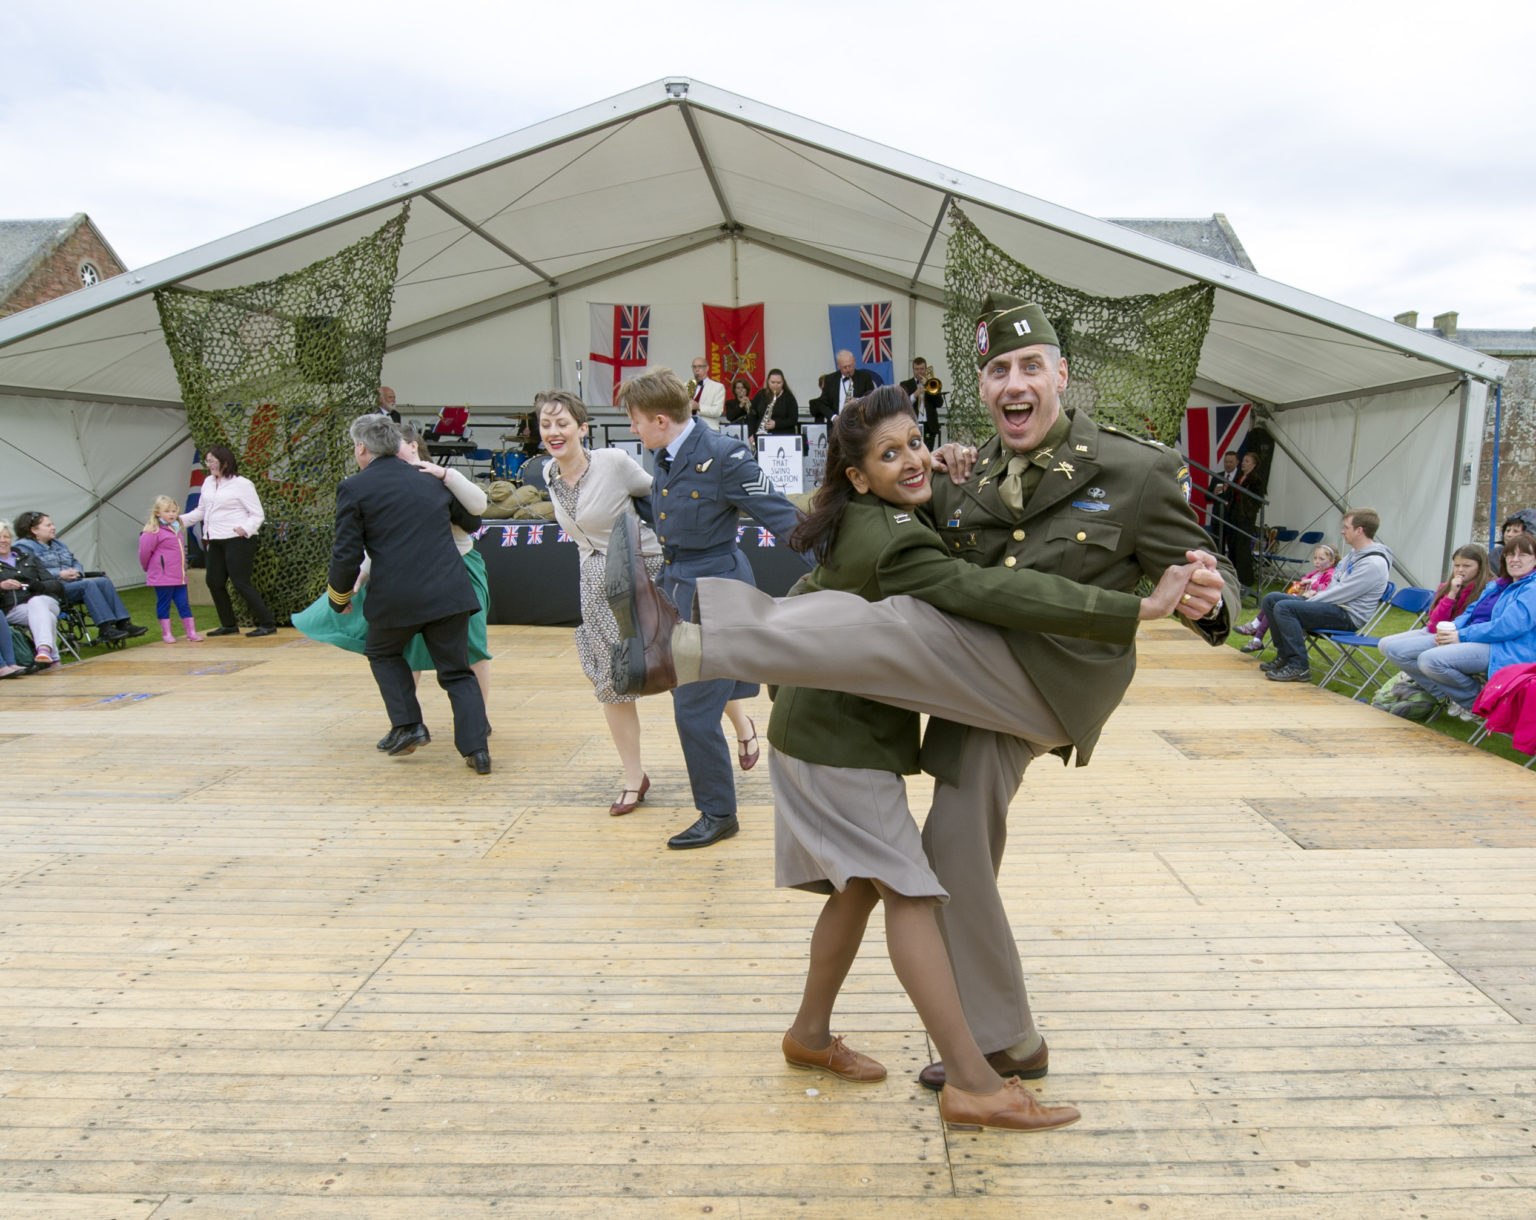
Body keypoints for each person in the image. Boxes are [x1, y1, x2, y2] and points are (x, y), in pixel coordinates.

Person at [608, 294, 1235, 1090]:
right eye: (999, 370)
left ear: (1061, 377)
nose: (1015, 383)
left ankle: (686, 642)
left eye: (1030, 367)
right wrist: (929, 473)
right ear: (983, 386)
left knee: (903, 620)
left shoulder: (1134, 469)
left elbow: (1208, 567)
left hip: (1051, 680)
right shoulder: (968, 475)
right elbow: (893, 527)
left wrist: (1207, 600)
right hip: (974, 687)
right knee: (951, 849)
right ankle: (1008, 1039)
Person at [762, 386, 1201, 1131]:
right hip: (841, 742)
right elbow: (982, 584)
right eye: (888, 454)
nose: (909, 460)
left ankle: (808, 1036)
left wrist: (940, 479)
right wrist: (1136, 609)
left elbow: (905, 541)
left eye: (913, 443)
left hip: (823, 730)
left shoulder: (885, 515)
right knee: (910, 893)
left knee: (859, 891)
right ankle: (972, 1079)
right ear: (858, 477)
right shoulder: (891, 537)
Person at [621, 366, 805, 849]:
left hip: (715, 595)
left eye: (636, 420)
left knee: (694, 712)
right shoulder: (664, 454)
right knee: (699, 702)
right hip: (680, 590)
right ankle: (724, 791)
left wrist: (843, 570)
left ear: (660, 419)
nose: (633, 429)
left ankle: (719, 813)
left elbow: (783, 517)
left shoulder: (724, 456)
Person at [293, 423, 494, 725]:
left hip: (458, 573)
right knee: (404, 649)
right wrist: (361, 574)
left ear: (414, 446)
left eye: (397, 443)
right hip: (407, 578)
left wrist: (447, 475)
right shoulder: (386, 483)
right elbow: (387, 544)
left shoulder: (434, 479)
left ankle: (478, 720)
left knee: (471, 648)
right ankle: (407, 725)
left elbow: (476, 513)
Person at [1381, 535, 1536, 719]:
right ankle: (1453, 697)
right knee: (1396, 649)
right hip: (1480, 638)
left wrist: (1461, 635)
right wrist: (1450, 630)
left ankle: (1477, 704)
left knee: (1430, 661)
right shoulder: (1499, 585)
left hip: (1506, 648)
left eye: (1523, 555)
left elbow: (1508, 627)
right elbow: (1469, 613)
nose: (1514, 559)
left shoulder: (1531, 589)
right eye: (1510, 555)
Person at [1260, 509, 1392, 682]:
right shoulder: (1353, 555)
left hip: (1348, 616)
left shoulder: (1373, 563)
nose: (1342, 531)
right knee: (1272, 599)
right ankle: (1284, 656)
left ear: (1359, 530)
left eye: (1346, 527)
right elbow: (1334, 585)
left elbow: (1341, 593)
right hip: (1333, 606)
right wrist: (1313, 594)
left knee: (1285, 608)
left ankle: (1298, 666)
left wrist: (1309, 601)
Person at [178, 446, 277, 639]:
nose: (210, 466)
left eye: (213, 462)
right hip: (215, 538)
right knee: (214, 581)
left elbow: (257, 514)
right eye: (207, 462)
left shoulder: (242, 484)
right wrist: (178, 521)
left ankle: (267, 622)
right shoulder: (208, 482)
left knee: (240, 582)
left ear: (225, 462)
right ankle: (229, 624)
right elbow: (201, 511)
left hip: (238, 539)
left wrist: (246, 529)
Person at [12, 511, 147, 642]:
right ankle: (105, 628)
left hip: (71, 582)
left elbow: (74, 561)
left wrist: (77, 571)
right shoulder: (23, 548)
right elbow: (30, 572)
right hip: (51, 588)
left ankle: (123, 623)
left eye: (52, 524)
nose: (53, 527)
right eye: (48, 525)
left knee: (103, 581)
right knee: (88, 585)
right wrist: (60, 574)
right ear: (34, 530)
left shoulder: (58, 544)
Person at [1233, 543, 1338, 654]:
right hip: (1302, 602)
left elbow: (1326, 589)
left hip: (1309, 608)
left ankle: (1255, 630)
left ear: (1332, 561)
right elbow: (1305, 581)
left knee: (1274, 602)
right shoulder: (1317, 573)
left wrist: (1313, 583)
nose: (1317, 561)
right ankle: (1256, 638)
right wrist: (1301, 584)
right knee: (1273, 602)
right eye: (1315, 558)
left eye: (1321, 559)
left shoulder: (1330, 574)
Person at [1, 518, 65, 673]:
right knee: (46, 617)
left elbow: (55, 584)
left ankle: (44, 650)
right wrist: (2, 586)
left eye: (6, 537)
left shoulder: (28, 557)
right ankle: (52, 656)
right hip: (15, 608)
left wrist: (36, 585)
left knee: (37, 602)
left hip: (45, 600)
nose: (3, 541)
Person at [138, 496, 204, 644]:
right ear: (157, 513)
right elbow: (144, 552)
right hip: (162, 576)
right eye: (167, 511)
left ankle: (191, 632)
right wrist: (148, 568)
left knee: (183, 603)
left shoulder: (177, 528)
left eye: (174, 511)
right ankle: (166, 633)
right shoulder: (153, 530)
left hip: (179, 576)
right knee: (164, 603)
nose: (171, 514)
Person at [1221, 452, 1264, 593]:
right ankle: (1233, 576)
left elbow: (1257, 499)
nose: (1244, 463)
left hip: (1245, 518)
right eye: (1244, 461)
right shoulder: (1239, 478)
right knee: (1233, 546)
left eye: (1247, 461)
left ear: (1253, 464)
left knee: (1242, 548)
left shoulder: (1256, 480)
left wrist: (1247, 511)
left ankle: (1245, 578)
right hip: (1234, 516)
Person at [809, 350, 876, 424]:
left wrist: (858, 401)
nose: (848, 370)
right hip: (837, 425)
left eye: (850, 366)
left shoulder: (864, 377)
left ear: (854, 362)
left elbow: (872, 398)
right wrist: (833, 417)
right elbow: (822, 403)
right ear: (838, 366)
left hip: (859, 424)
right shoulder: (830, 379)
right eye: (844, 367)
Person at [900, 357, 945, 450]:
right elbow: (902, 405)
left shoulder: (932, 384)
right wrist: (914, 395)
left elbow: (939, 403)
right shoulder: (905, 384)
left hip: (929, 425)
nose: (919, 372)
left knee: (929, 453)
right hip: (913, 424)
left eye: (921, 369)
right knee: (914, 451)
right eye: (916, 369)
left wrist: (928, 386)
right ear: (913, 370)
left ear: (926, 369)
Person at [750, 369, 799, 438]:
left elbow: (793, 419)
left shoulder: (789, 398)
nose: (775, 385)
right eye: (772, 382)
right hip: (761, 435)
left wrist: (776, 424)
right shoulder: (760, 395)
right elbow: (751, 416)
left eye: (779, 383)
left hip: (782, 436)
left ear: (783, 383)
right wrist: (751, 434)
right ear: (768, 382)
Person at [1208, 451, 1240, 551]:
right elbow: (1207, 497)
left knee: (1233, 549)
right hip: (1218, 518)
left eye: (1231, 462)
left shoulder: (1241, 477)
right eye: (1226, 462)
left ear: (1237, 462)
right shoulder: (1218, 476)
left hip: (1233, 519)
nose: (1228, 464)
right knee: (1217, 548)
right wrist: (1214, 493)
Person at [687, 357, 725, 426]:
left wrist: (699, 406)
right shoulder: (687, 385)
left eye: (700, 366)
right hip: (689, 428)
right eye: (694, 367)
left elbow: (717, 411)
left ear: (707, 368)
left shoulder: (718, 387)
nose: (697, 369)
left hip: (708, 428)